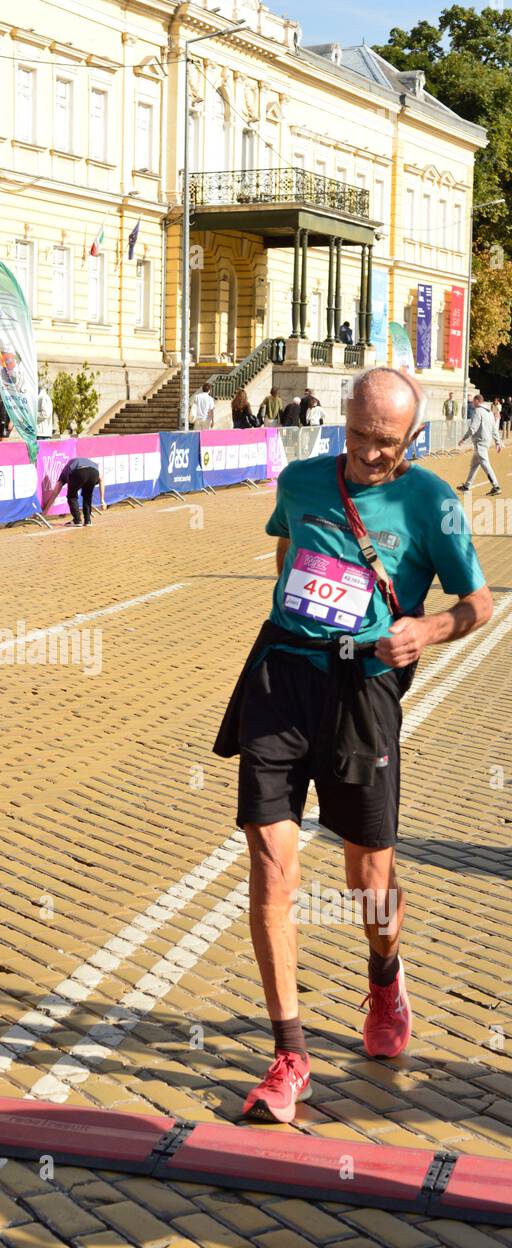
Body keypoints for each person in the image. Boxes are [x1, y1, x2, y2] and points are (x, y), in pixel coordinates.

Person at [212, 367, 492, 1123]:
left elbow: (480, 603)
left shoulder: (431, 501)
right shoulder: (301, 481)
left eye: (389, 444)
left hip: (364, 692)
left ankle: (384, 972)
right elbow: (288, 556)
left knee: (368, 879)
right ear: (344, 419)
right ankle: (289, 1054)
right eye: (362, 437)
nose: (373, 455)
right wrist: (295, 626)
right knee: (272, 867)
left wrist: (424, 630)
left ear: (412, 437)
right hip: (281, 680)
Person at [458, 393, 503, 496]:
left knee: (485, 464)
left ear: (477, 401)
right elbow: (494, 429)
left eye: (473, 401)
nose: (472, 403)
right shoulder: (489, 412)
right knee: (474, 465)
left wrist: (463, 439)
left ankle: (496, 486)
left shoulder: (477, 411)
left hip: (479, 443)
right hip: (485, 442)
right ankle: (467, 485)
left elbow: (473, 428)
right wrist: (497, 442)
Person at [42, 456, 106, 527]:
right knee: (87, 496)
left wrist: (46, 510)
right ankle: (88, 520)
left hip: (79, 472)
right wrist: (102, 500)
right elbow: (101, 479)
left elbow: (56, 491)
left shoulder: (66, 469)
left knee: (71, 496)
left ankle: (77, 520)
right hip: (94, 473)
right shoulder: (91, 463)